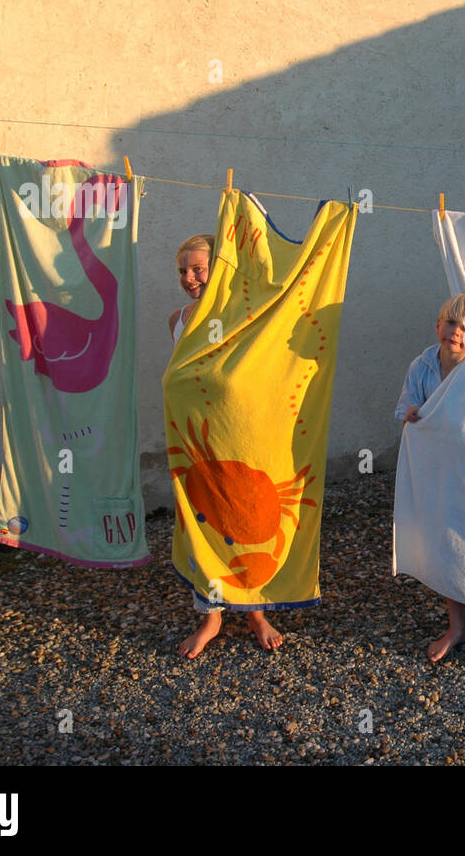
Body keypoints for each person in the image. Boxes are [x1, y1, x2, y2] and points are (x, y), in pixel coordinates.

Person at [167, 233, 285, 658]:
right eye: (183, 270)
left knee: (246, 520)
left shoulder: (242, 314)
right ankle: (211, 618)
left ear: (219, 269)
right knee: (202, 522)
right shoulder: (178, 320)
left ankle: (256, 613)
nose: (189, 277)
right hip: (195, 440)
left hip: (239, 437)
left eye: (198, 268)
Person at [395, 293, 465, 669]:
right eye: (451, 323)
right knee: (446, 543)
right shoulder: (422, 366)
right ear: (438, 326)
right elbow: (406, 405)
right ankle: (456, 626)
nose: (457, 332)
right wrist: (409, 413)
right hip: (438, 469)